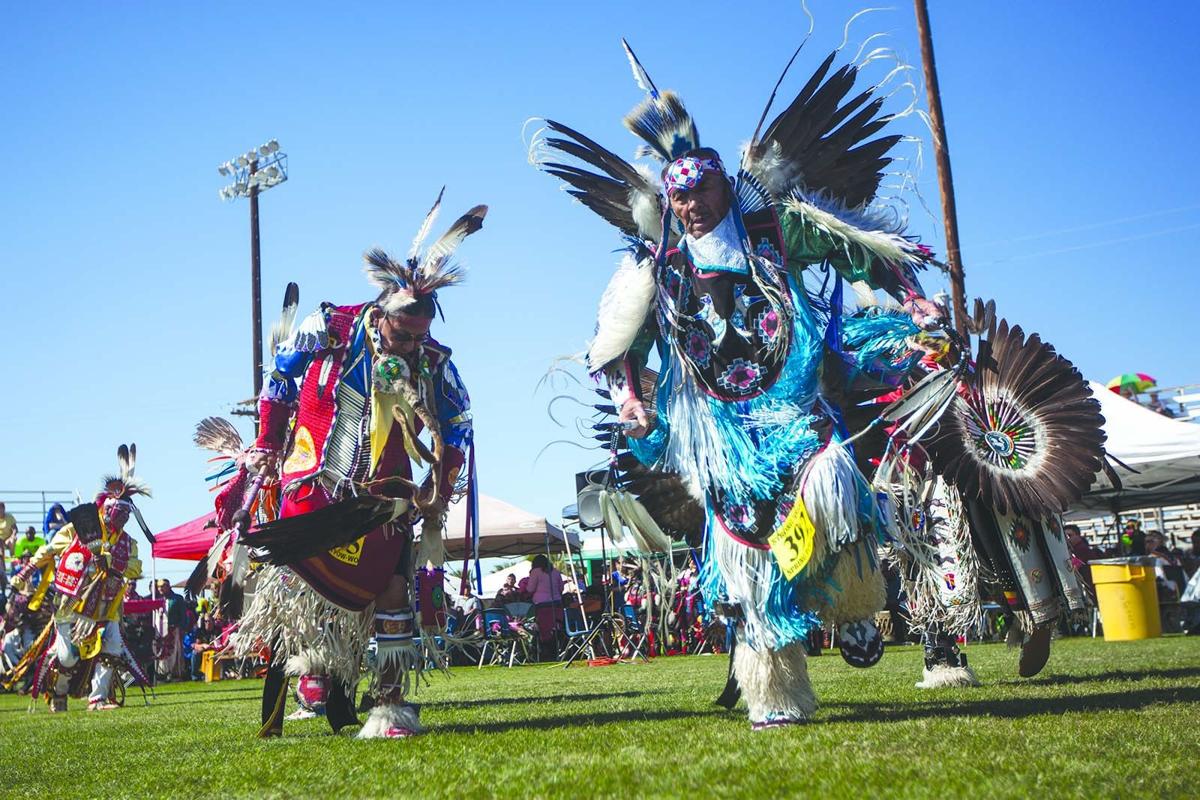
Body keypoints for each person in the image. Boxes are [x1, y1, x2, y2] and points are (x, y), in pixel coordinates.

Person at [533, 40, 947, 729]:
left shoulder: (776, 234)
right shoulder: (658, 269)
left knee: (830, 484)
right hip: (720, 431)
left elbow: (858, 249)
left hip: (792, 399)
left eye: (701, 190)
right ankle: (775, 691)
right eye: (679, 195)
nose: (691, 203)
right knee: (747, 552)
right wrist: (631, 401)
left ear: (725, 187)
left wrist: (913, 301)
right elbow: (620, 348)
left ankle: (848, 600)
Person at [232, 194, 485, 739]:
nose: (412, 344)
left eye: (420, 335)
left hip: (385, 497)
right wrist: (267, 442)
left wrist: (438, 491)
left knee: (393, 591)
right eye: (403, 334)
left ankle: (390, 707)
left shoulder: (434, 362)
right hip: (316, 485)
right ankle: (303, 680)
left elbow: (459, 426)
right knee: (300, 590)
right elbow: (279, 378)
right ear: (381, 314)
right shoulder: (331, 328)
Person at [8, 446, 150, 711]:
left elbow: (135, 568)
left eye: (126, 514)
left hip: (107, 607)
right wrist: (24, 574)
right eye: (118, 512)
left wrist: (112, 562)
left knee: (112, 648)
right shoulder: (77, 531)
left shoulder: (127, 543)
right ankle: (59, 692)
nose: (121, 518)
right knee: (68, 656)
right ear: (106, 509)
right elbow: (48, 551)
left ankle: (97, 699)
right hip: (70, 605)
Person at [526, 555, 564, 657]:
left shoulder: (535, 572)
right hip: (556, 603)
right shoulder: (556, 572)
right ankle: (557, 649)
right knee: (556, 627)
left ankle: (544, 652)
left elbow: (530, 589)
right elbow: (561, 588)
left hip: (541, 604)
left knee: (543, 630)